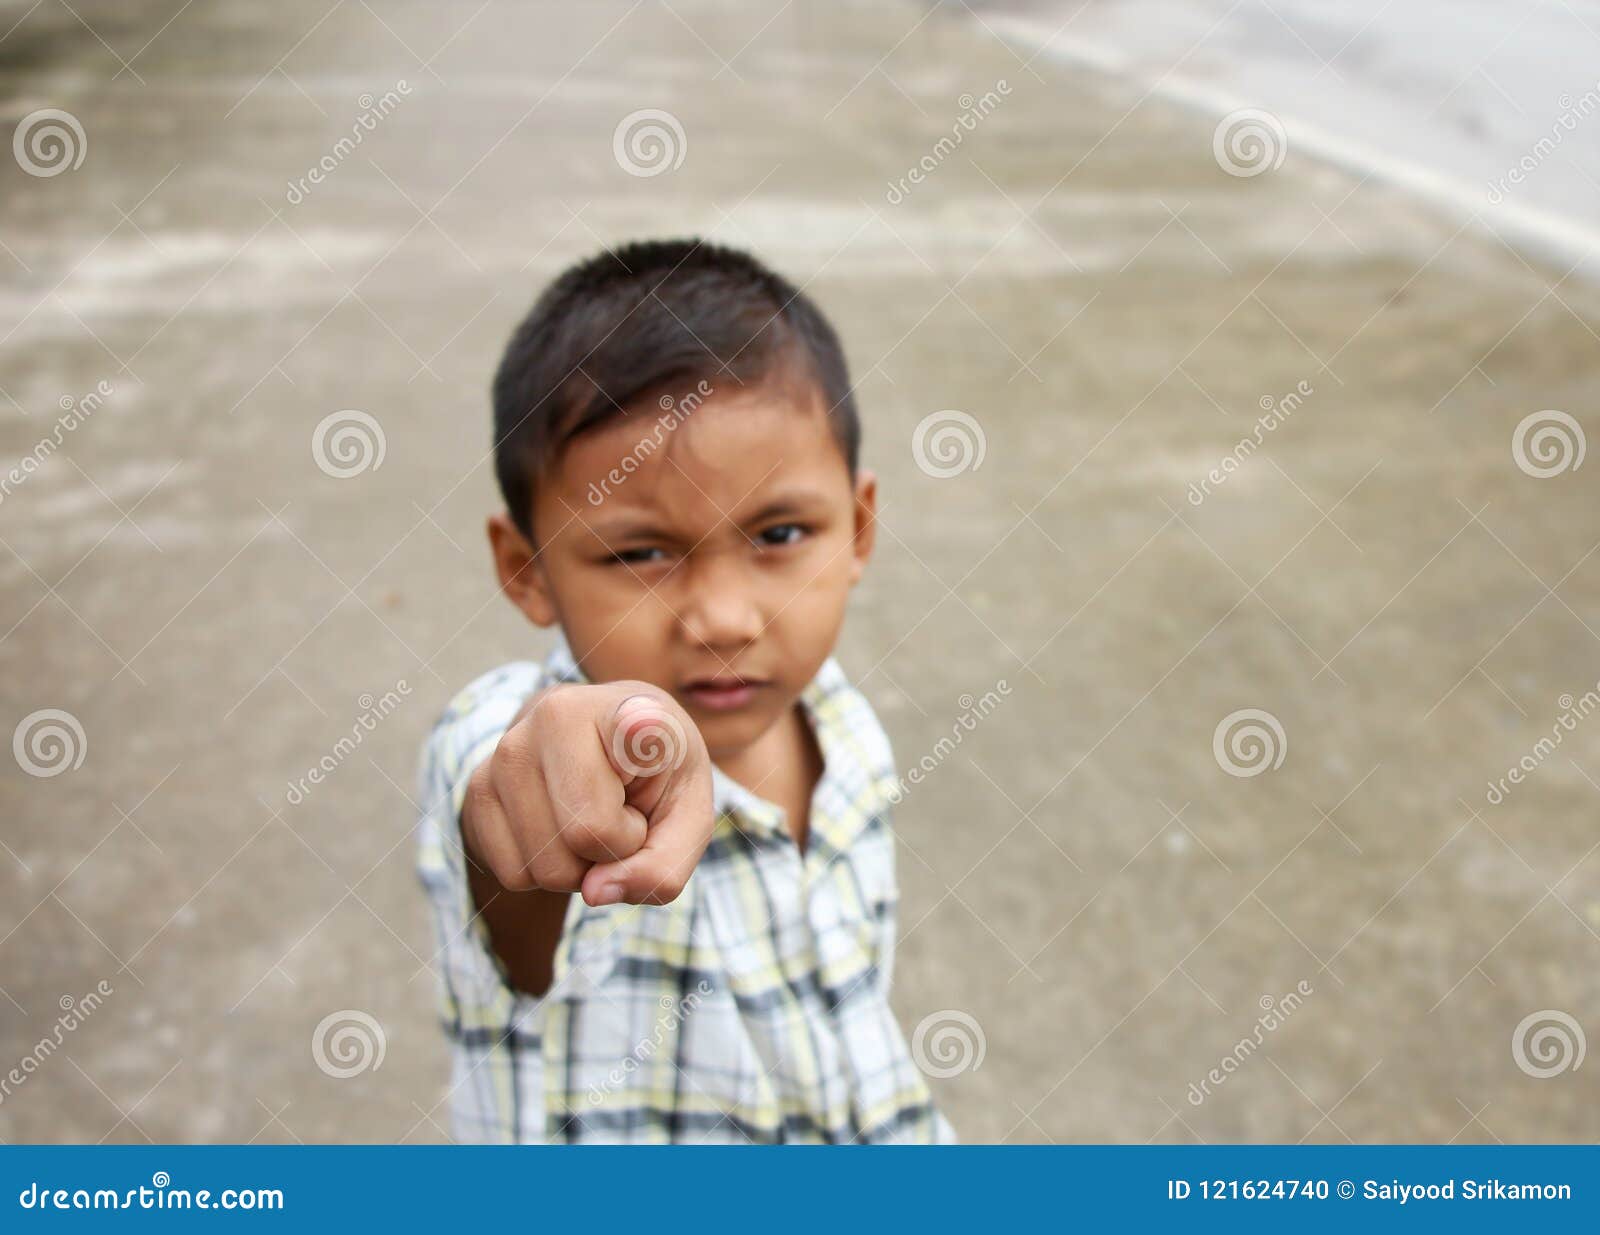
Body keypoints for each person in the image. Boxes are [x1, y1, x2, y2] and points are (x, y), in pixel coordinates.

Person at [415, 238, 953, 1144]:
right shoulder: (528, 747)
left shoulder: (847, 728)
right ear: (526, 568)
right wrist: (571, 761)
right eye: (641, 553)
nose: (724, 618)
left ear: (858, 529)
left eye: (780, 532)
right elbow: (508, 793)